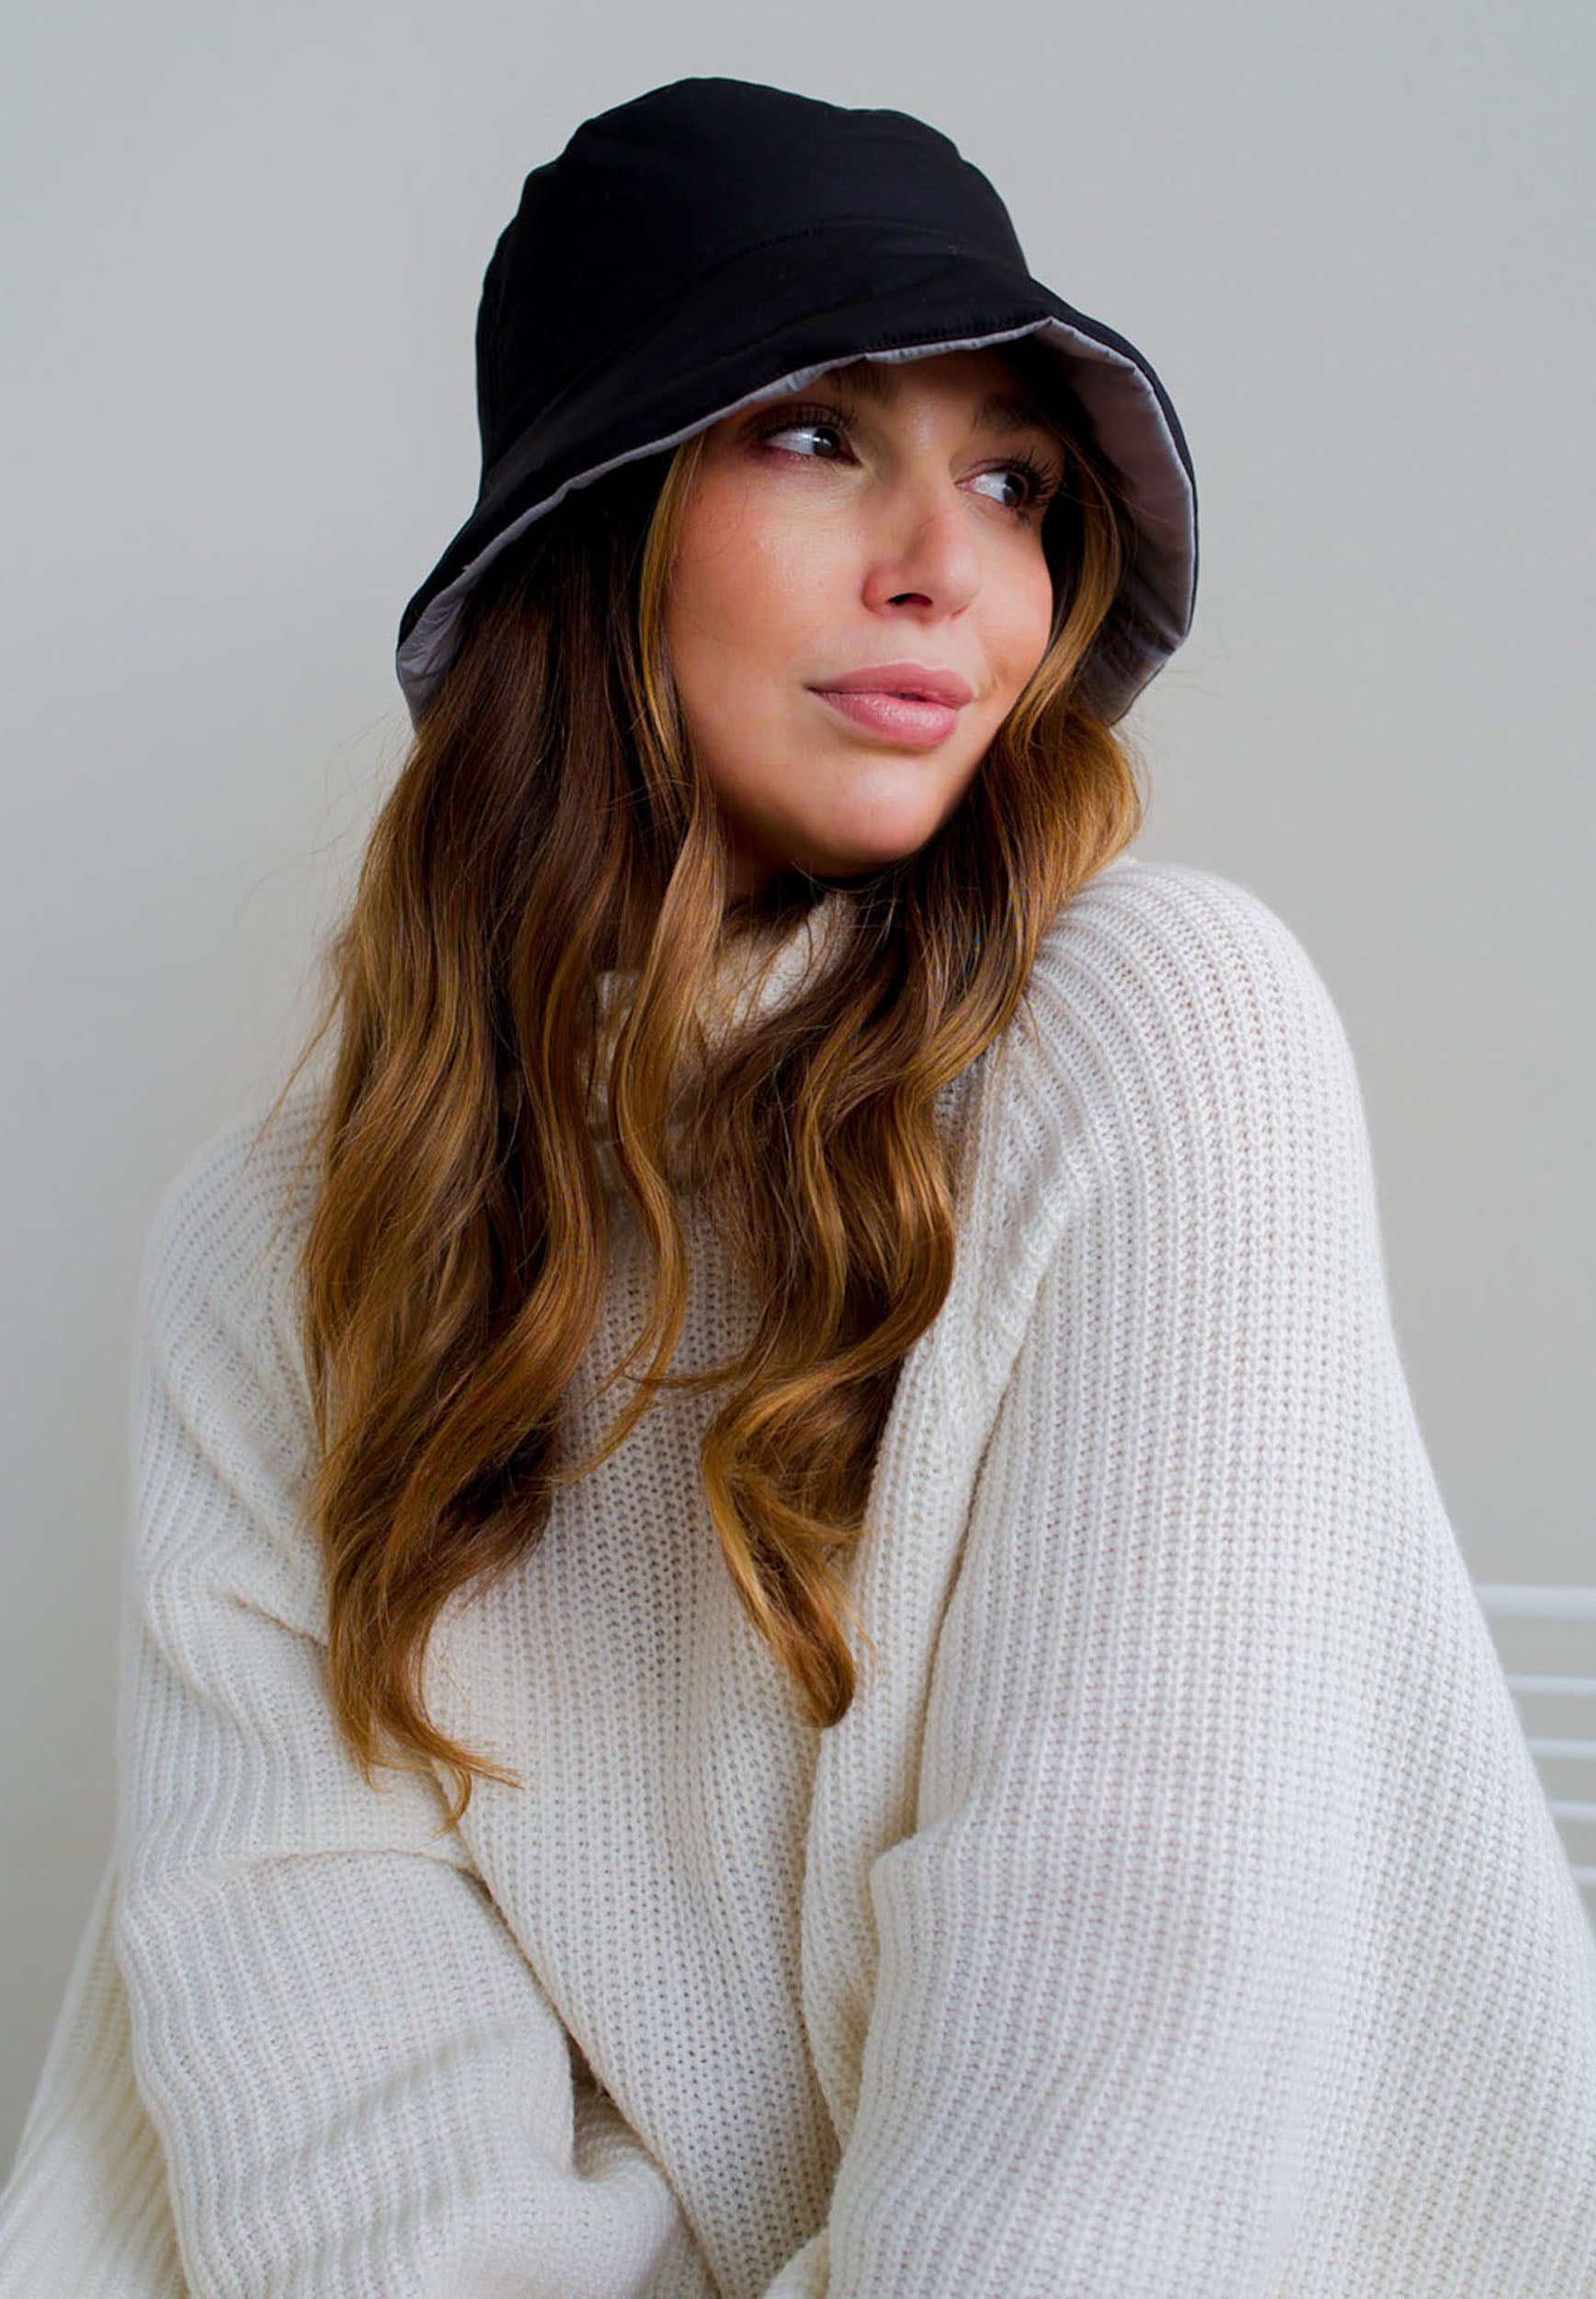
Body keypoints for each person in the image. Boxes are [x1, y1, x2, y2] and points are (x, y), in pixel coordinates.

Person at [2, 72, 1593, 2299]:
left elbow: (1104, 2122)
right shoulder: (273, 1243)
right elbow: (336, 2104)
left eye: (1015, 479)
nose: (951, 564)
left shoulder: (1155, 1041)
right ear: (597, 524)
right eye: (820, 434)